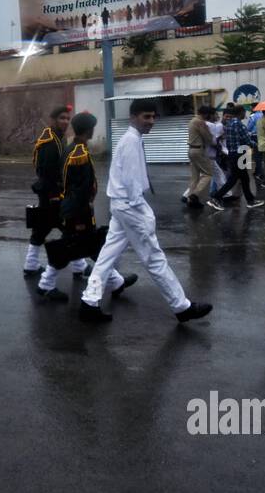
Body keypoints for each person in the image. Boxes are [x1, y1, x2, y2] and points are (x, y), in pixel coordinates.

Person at [80, 98, 211, 324]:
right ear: (133, 117)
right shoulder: (131, 141)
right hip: (130, 206)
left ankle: (89, 301)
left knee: (106, 256)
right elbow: (131, 184)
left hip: (122, 206)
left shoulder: (132, 139)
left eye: (153, 116)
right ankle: (181, 307)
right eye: (146, 117)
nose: (151, 121)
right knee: (154, 258)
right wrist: (144, 214)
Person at [36, 112, 131, 302]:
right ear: (89, 130)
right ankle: (46, 284)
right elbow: (80, 188)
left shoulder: (73, 148)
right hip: (77, 209)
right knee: (75, 247)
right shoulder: (78, 153)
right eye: (92, 127)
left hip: (74, 207)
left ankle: (115, 281)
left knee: (82, 246)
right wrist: (82, 210)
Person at [23, 106, 75, 276]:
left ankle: (31, 265)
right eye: (62, 118)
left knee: (42, 228)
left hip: (50, 191)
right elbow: (46, 170)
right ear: (53, 120)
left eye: (68, 118)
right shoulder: (51, 141)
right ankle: (78, 266)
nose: (66, 121)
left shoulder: (56, 137)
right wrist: (55, 195)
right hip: (52, 193)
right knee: (70, 229)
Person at [208, 107, 265, 210]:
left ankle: (250, 200)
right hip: (241, 154)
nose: (245, 114)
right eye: (244, 112)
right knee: (235, 179)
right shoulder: (239, 124)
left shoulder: (229, 124)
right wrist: (255, 144)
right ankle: (216, 197)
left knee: (242, 179)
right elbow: (247, 141)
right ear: (241, 113)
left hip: (233, 154)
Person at [183, 105, 218, 208]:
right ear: (206, 114)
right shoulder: (200, 122)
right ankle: (195, 195)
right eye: (210, 114)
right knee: (208, 174)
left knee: (195, 177)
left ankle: (191, 200)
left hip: (191, 149)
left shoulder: (192, 120)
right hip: (198, 150)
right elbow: (208, 138)